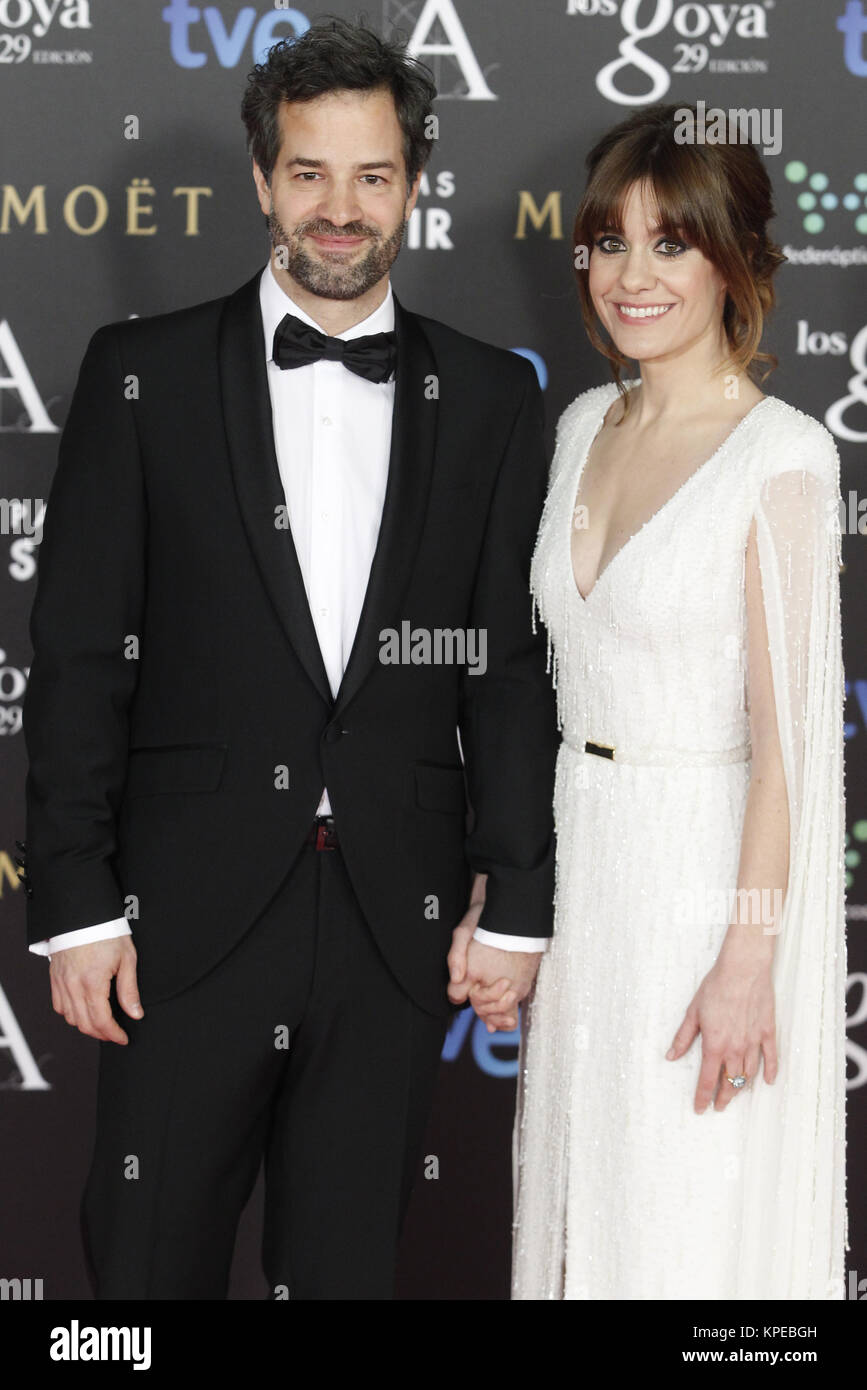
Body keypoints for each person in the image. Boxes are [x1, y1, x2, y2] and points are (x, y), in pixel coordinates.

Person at [19, 17, 558, 1300]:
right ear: (262, 180)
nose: (339, 206)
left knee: (346, 1269)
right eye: (309, 171)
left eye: (372, 174)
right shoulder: (138, 373)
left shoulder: (490, 398)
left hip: (394, 916)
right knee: (144, 1268)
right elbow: (80, 653)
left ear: (413, 191)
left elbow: (509, 667)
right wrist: (77, 903)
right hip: (180, 916)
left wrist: (521, 893)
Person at [510, 104, 846, 1300]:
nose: (630, 276)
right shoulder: (577, 428)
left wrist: (749, 952)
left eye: (670, 244)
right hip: (588, 862)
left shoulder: (786, 457)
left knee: (687, 1212)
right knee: (589, 1200)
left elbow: (787, 749)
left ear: (734, 262)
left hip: (702, 881)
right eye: (608, 243)